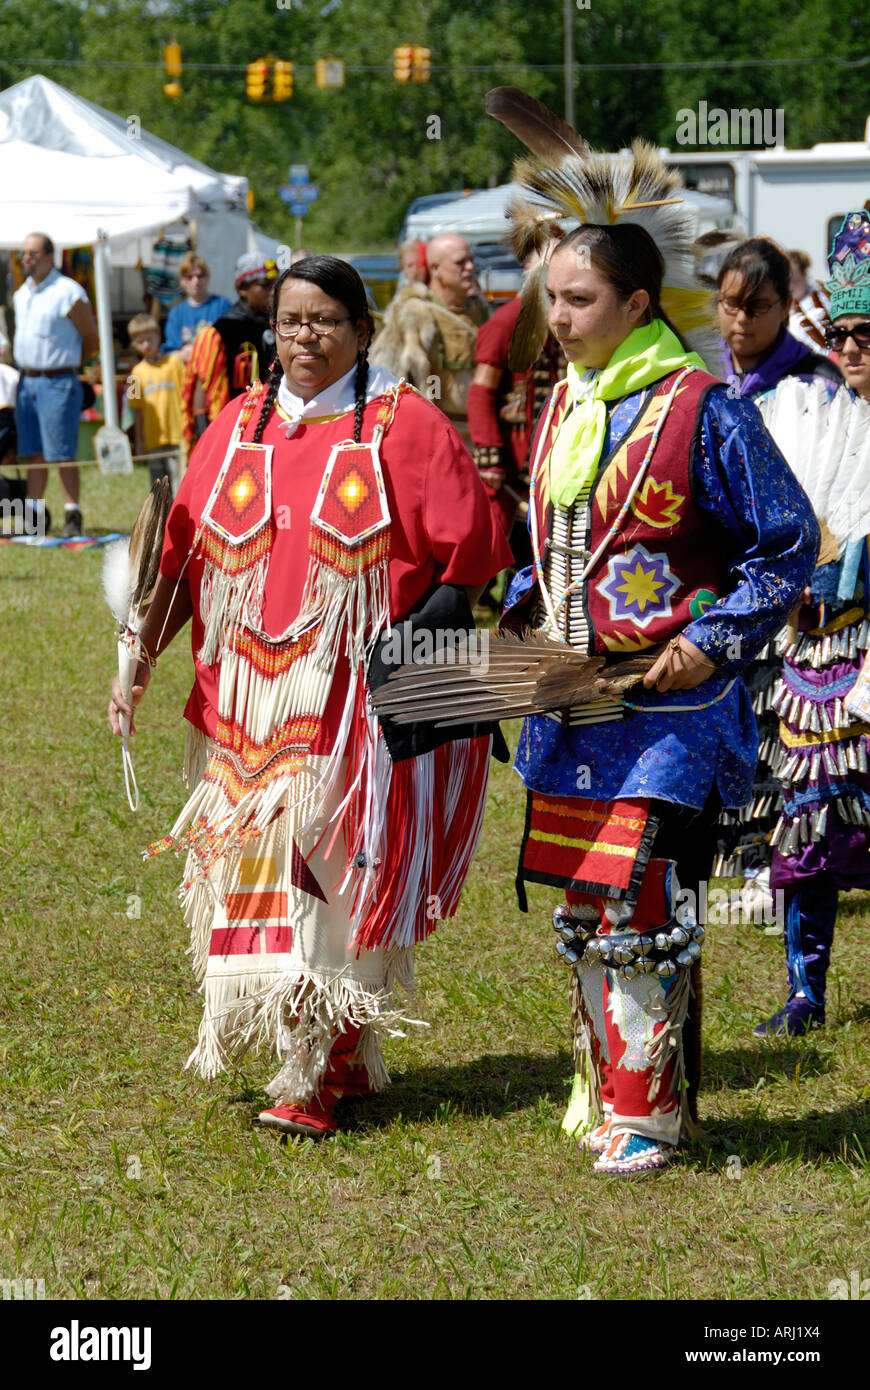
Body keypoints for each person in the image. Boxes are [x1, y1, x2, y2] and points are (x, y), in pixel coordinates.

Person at [108, 255, 511, 1139]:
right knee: (265, 873)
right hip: (246, 707)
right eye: (291, 320)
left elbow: (474, 550)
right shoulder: (238, 426)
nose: (305, 336)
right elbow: (182, 556)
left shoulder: (401, 426)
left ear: (363, 332)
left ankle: (315, 1066)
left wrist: (424, 661)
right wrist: (139, 653)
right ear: (270, 332)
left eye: (326, 320)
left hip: (352, 703)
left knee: (330, 873)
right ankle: (338, 1047)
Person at [494, 199, 818, 1174]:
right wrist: (522, 619)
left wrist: (714, 642)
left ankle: (654, 1116)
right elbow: (551, 548)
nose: (559, 316)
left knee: (642, 899)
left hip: (673, 711)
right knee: (588, 913)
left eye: (580, 298)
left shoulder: (701, 408)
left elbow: (789, 539)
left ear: (637, 302)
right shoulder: (568, 404)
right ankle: (620, 1092)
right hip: (576, 701)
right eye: (551, 298)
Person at [756, 210, 870, 1036]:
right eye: (842, 333)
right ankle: (806, 990)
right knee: (808, 818)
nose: (852, 349)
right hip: (819, 662)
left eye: (869, 334)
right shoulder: (807, 416)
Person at [713, 238, 842, 890]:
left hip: (799, 578)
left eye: (757, 307)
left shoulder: (815, 381)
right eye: (730, 304)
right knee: (735, 709)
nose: (740, 320)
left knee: (785, 717)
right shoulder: (709, 380)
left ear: (786, 306)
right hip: (727, 577)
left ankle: (781, 855)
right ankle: (736, 843)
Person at [13, 232, 99, 538]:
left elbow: (90, 337)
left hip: (58, 379)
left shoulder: (68, 291)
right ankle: (33, 518)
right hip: (27, 381)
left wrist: (71, 365)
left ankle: (72, 515)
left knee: (62, 452)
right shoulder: (21, 293)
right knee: (32, 452)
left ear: (51, 256)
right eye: (24, 253)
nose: (27, 259)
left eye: (33, 253)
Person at [370, 233, 489, 441]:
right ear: (435, 269)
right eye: (461, 263)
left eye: (471, 260)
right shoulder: (415, 313)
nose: (470, 267)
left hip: (480, 433)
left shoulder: (481, 310)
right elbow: (396, 379)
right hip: (436, 433)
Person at [180, 253, 278, 447]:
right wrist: (203, 434)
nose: (273, 292)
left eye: (276, 285)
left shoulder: (278, 324)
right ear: (242, 289)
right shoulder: (222, 331)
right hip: (233, 427)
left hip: (271, 423)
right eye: (266, 286)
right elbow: (203, 387)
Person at [126, 313, 185, 494]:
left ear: (158, 336)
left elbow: (186, 395)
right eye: (140, 341)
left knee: (179, 481)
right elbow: (135, 409)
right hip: (152, 438)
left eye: (149, 339)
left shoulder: (175, 363)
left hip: (177, 435)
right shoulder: (135, 373)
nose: (146, 345)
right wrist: (139, 441)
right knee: (158, 485)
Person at [162, 253, 231, 364]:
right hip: (186, 377)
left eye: (200, 276)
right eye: (189, 277)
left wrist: (193, 351)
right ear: (181, 281)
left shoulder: (222, 305)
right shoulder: (176, 313)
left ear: (207, 277)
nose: (196, 281)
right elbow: (171, 352)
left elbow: (229, 343)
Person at [787, 248, 832, 354]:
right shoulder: (790, 306)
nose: (789, 286)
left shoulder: (818, 306)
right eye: (785, 281)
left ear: (804, 275)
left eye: (794, 280)